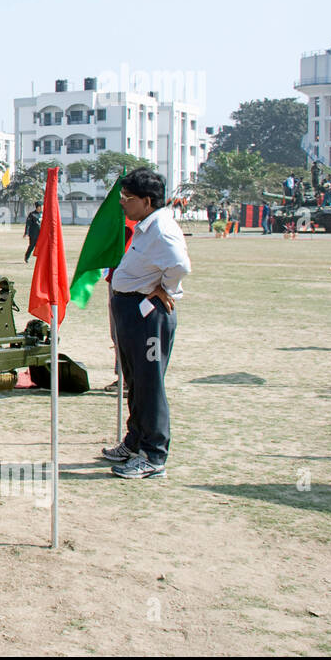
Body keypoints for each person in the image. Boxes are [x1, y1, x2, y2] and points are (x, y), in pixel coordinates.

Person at [100, 168, 191, 479]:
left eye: (128, 199)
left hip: (147, 314)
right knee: (135, 381)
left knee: (150, 384)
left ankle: (153, 455)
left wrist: (164, 289)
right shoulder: (146, 226)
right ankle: (135, 439)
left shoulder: (162, 229)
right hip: (129, 309)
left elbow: (179, 265)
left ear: (147, 201)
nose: (123, 204)